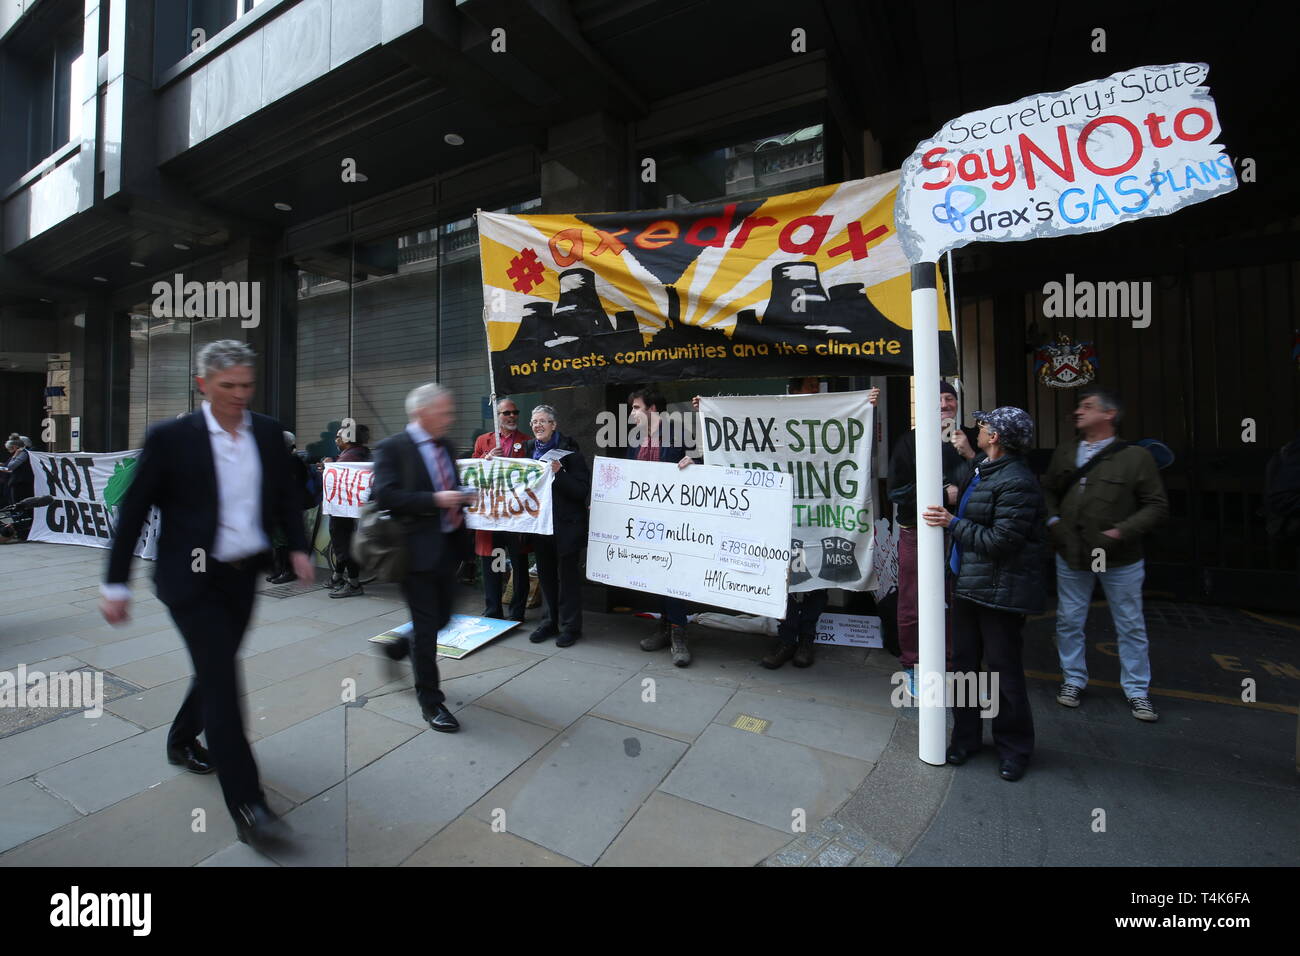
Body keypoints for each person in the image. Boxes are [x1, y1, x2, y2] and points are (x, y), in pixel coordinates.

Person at [100, 340, 312, 847]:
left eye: (246, 385)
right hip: (189, 580)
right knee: (222, 684)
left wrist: (299, 548)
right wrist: (115, 582)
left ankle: (178, 740)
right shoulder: (172, 438)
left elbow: (284, 495)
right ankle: (250, 808)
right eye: (227, 387)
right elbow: (133, 511)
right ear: (203, 385)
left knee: (216, 664)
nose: (239, 395)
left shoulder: (264, 431)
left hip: (242, 577)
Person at [923, 406, 1045, 782]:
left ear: (995, 438)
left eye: (984, 426)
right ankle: (966, 739)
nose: (977, 428)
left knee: (1003, 671)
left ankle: (1014, 749)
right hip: (971, 586)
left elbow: (1001, 541)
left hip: (1001, 591)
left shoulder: (1017, 482)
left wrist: (952, 522)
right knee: (964, 666)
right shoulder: (983, 468)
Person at [1044, 389, 1168, 722]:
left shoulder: (1135, 458)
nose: (1078, 411)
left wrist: (1120, 532)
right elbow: (1048, 492)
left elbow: (1156, 505)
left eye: (1087, 407)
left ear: (1109, 414)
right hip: (1073, 553)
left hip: (1119, 557)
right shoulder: (1067, 451)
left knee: (1129, 623)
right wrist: (1053, 521)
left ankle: (1137, 691)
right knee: (1069, 619)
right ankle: (1072, 680)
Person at [370, 383, 474, 733]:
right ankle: (431, 702)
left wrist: (461, 497)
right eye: (444, 412)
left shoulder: (445, 444)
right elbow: (385, 495)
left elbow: (450, 486)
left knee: (442, 617)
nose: (450, 418)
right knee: (428, 629)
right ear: (422, 413)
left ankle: (399, 645)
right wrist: (435, 500)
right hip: (413, 554)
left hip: (448, 548)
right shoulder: (392, 448)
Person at [887, 380, 977, 694]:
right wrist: (942, 494)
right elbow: (896, 492)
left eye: (949, 398)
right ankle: (914, 664)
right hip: (918, 532)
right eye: (936, 399)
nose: (943, 404)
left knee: (956, 600)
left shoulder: (972, 439)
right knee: (913, 600)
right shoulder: (908, 442)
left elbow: (992, 482)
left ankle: (951, 665)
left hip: (963, 534)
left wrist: (969, 454)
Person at [627, 388, 694, 665]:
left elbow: (708, 461)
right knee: (657, 572)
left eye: (636, 408)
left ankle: (678, 633)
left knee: (674, 574)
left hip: (676, 519)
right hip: (647, 521)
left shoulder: (678, 435)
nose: (632, 413)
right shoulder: (635, 441)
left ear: (652, 409)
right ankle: (666, 627)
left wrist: (694, 462)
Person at [524, 404, 590, 647]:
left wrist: (560, 473)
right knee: (546, 576)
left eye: (543, 421)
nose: (538, 426)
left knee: (568, 579)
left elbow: (581, 490)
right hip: (541, 526)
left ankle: (571, 627)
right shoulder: (529, 451)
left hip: (566, 527)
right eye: (534, 422)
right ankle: (548, 623)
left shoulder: (571, 452)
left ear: (554, 425)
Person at [473, 398, 531, 620]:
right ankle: (493, 610)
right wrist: (486, 458)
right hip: (491, 515)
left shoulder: (527, 441)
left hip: (516, 516)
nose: (512, 416)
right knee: (492, 563)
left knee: (518, 563)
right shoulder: (483, 441)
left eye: (515, 412)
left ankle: (517, 612)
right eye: (507, 413)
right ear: (497, 416)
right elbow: (472, 471)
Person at [324, 422, 371, 597]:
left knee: (343, 544)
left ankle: (354, 584)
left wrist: (328, 469)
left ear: (348, 439)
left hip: (342, 508)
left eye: (339, 436)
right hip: (353, 508)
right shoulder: (360, 454)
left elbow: (339, 482)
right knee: (345, 543)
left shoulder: (348, 458)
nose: (336, 439)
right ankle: (339, 577)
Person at [0, 437, 33, 506]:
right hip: (17, 481)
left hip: (20, 482)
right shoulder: (22, 453)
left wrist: (14, 456)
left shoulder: (24, 453)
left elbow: (9, 468)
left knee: (18, 504)